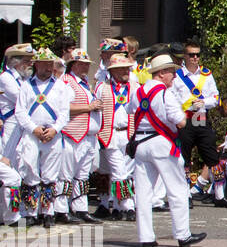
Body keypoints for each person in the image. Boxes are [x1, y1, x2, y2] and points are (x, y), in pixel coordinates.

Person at [128, 54, 206, 247]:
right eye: (171, 72)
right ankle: (183, 234)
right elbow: (179, 121)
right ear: (161, 73)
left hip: (140, 143)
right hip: (161, 143)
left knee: (144, 192)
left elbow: (130, 111)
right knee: (177, 188)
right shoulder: (165, 94)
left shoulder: (137, 92)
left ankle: (145, 237)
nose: (174, 75)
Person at [15, 48, 71, 228]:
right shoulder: (26, 85)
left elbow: (64, 114)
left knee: (50, 175)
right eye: (45, 64)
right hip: (32, 135)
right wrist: (33, 129)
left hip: (52, 136)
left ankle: (48, 212)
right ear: (36, 64)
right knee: (30, 173)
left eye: (51, 64)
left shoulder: (60, 86)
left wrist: (54, 129)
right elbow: (20, 111)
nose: (49, 67)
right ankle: (31, 213)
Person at [57, 48, 102, 224]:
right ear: (73, 65)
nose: (86, 68)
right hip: (72, 134)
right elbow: (64, 107)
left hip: (87, 136)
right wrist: (89, 107)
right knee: (66, 173)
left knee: (83, 174)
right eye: (83, 64)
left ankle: (80, 208)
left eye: (87, 65)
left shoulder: (83, 82)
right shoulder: (66, 82)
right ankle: (61, 209)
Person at [172, 41, 220, 203]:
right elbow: (171, 98)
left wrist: (204, 103)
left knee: (212, 156)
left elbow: (216, 97)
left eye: (197, 55)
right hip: (184, 119)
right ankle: (185, 195)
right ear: (184, 57)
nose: (195, 58)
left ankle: (220, 195)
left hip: (201, 118)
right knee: (184, 158)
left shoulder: (206, 74)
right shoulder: (177, 75)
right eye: (191, 55)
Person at [93, 53, 137, 221]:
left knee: (122, 171)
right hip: (108, 134)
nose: (127, 71)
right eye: (123, 69)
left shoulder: (135, 87)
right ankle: (128, 207)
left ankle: (116, 207)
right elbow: (95, 109)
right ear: (114, 71)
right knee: (115, 172)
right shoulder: (101, 87)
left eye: (128, 68)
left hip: (128, 134)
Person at [0, 43, 33, 228]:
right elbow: (22, 99)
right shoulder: (6, 77)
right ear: (16, 62)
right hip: (10, 127)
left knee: (18, 169)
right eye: (27, 61)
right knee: (9, 171)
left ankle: (9, 213)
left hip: (20, 126)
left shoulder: (22, 79)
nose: (30, 64)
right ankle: (12, 216)